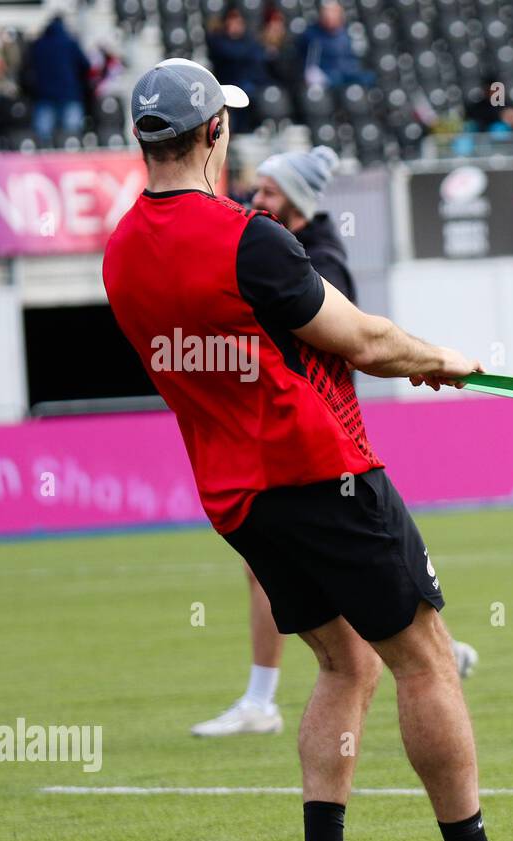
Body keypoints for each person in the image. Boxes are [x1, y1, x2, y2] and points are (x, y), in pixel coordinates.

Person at [103, 58, 513, 841]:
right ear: (216, 132)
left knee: (342, 661)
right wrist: (441, 358)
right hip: (324, 473)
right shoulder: (245, 236)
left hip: (238, 496)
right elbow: (358, 335)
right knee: (425, 658)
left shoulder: (121, 252)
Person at [189, 145, 479, 737]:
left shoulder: (316, 260)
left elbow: (356, 341)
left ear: (298, 200)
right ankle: (264, 697)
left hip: (320, 453)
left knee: (366, 624)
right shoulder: (279, 246)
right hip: (291, 454)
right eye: (258, 190)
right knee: (328, 591)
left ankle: (264, 700)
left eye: (270, 192)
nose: (256, 200)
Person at [25, 13, 89, 145]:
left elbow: (28, 68)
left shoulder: (38, 44)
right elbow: (85, 66)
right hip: (69, 93)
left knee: (43, 139)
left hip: (44, 94)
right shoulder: (70, 43)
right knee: (71, 138)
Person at [301, 1, 375, 89]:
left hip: (350, 72)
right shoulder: (313, 35)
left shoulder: (351, 31)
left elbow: (358, 55)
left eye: (333, 13)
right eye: (326, 15)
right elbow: (311, 64)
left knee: (369, 78)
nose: (330, 18)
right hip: (329, 74)